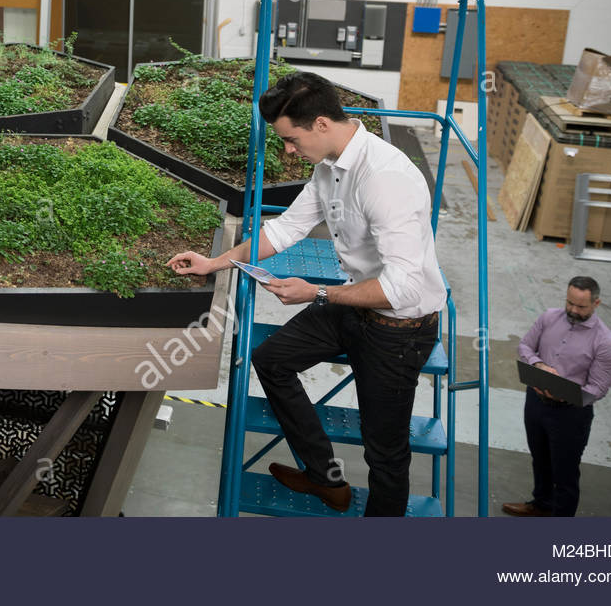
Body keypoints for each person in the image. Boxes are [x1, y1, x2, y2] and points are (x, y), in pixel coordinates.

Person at [169, 71, 445, 516]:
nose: (288, 150)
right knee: (271, 360)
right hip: (357, 305)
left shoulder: (386, 178)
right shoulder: (329, 167)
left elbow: (402, 287)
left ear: (320, 123)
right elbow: (285, 229)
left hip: (399, 329)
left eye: (291, 139)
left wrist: (317, 292)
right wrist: (215, 262)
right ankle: (325, 477)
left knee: (385, 454)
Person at [502, 276, 611, 518]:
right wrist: (540, 365)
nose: (573, 310)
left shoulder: (606, 343)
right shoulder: (549, 317)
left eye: (581, 307)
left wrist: (565, 395)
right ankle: (541, 504)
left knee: (565, 472)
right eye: (570, 303)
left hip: (571, 414)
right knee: (540, 458)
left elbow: (598, 388)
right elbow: (525, 346)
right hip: (535, 402)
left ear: (596, 304)